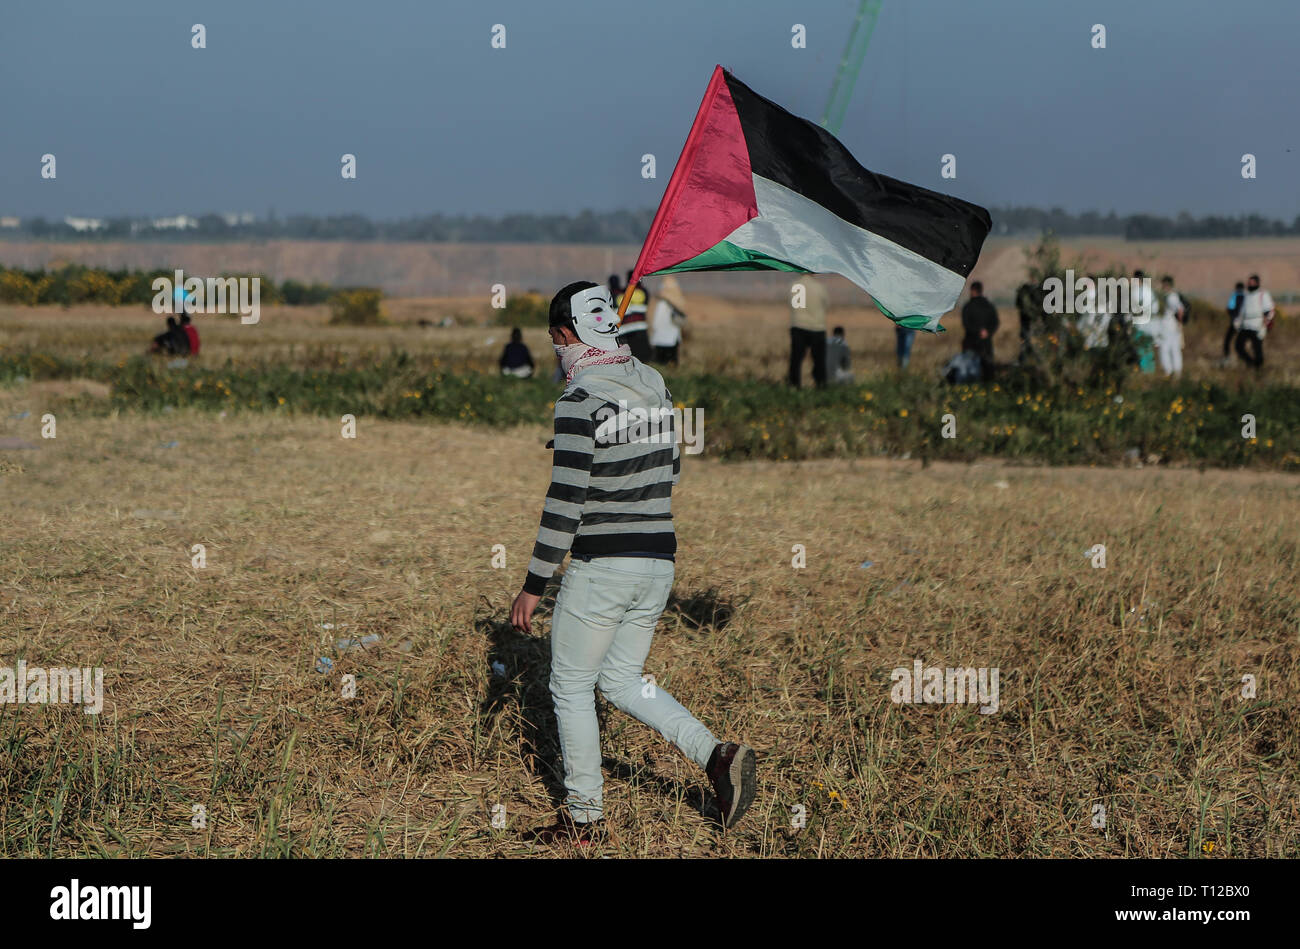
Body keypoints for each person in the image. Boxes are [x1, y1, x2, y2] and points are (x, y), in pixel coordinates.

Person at [511, 280, 757, 843]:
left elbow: (565, 501)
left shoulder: (577, 400)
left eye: (555, 338)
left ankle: (584, 817)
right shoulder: (654, 384)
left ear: (566, 333)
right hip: (658, 560)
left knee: (570, 686)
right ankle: (715, 755)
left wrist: (534, 583)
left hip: (604, 565)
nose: (555, 349)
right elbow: (670, 472)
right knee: (621, 680)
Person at [789, 275, 828, 387]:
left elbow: (792, 304)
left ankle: (794, 385)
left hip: (798, 325)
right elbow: (826, 303)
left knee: (796, 359)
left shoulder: (794, 286)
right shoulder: (819, 287)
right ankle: (821, 385)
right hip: (817, 327)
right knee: (819, 360)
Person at [1234, 273, 1274, 370]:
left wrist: (1265, 325)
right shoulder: (1246, 295)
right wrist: (1238, 321)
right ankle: (1251, 363)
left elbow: (1268, 310)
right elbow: (1242, 311)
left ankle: (1258, 368)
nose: (1249, 284)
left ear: (1257, 283)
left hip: (1257, 325)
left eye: (1251, 282)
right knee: (1238, 346)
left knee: (1257, 348)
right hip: (1245, 325)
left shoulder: (1263, 294)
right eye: (1248, 282)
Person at [961, 280, 999, 377]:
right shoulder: (989, 306)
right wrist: (987, 332)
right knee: (987, 368)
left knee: (970, 369)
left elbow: (966, 324)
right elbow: (995, 322)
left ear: (973, 290)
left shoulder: (968, 307)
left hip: (971, 342)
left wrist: (977, 332)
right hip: (986, 342)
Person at [648, 275, 687, 365]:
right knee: (666, 361)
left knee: (664, 361)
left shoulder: (666, 301)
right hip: (667, 336)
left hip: (666, 336)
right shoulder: (674, 300)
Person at [616, 271, 652, 361]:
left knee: (630, 358)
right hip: (640, 328)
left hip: (626, 330)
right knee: (642, 358)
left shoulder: (623, 292)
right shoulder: (644, 292)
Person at [1156, 275, 1185, 376]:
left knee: (1164, 348)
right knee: (1175, 348)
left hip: (1168, 325)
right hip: (1172, 325)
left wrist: (1180, 323)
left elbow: (1180, 310)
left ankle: (1168, 371)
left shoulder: (1170, 297)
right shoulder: (1174, 295)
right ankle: (1177, 371)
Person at [1223, 281, 1245, 365]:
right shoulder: (1246, 296)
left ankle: (1227, 355)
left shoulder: (1234, 296)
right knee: (1241, 341)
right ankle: (1241, 357)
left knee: (1228, 339)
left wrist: (1233, 316)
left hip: (1235, 322)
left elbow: (1229, 309)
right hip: (1243, 323)